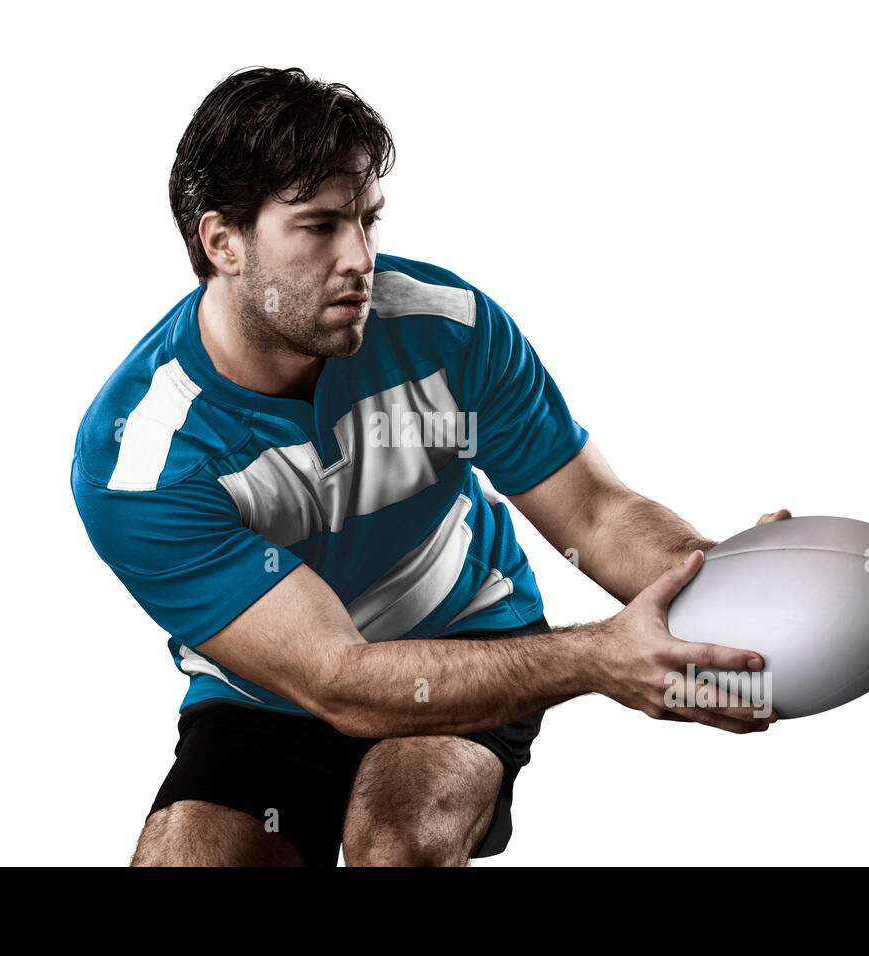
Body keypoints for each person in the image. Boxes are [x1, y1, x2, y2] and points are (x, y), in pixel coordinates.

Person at [70, 66, 784, 867]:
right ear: (222, 242)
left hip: (466, 632)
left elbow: (591, 511)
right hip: (273, 690)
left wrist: (729, 588)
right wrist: (597, 658)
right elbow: (335, 677)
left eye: (368, 220)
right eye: (319, 226)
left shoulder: (449, 330)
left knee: (395, 847)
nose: (361, 258)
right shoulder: (139, 463)